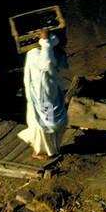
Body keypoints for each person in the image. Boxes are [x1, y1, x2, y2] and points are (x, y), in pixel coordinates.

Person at [17, 29, 67, 160]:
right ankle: (41, 151)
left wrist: (48, 44)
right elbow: (47, 64)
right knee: (47, 122)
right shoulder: (36, 53)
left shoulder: (46, 51)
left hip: (49, 90)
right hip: (43, 94)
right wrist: (46, 42)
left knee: (51, 120)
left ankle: (52, 149)